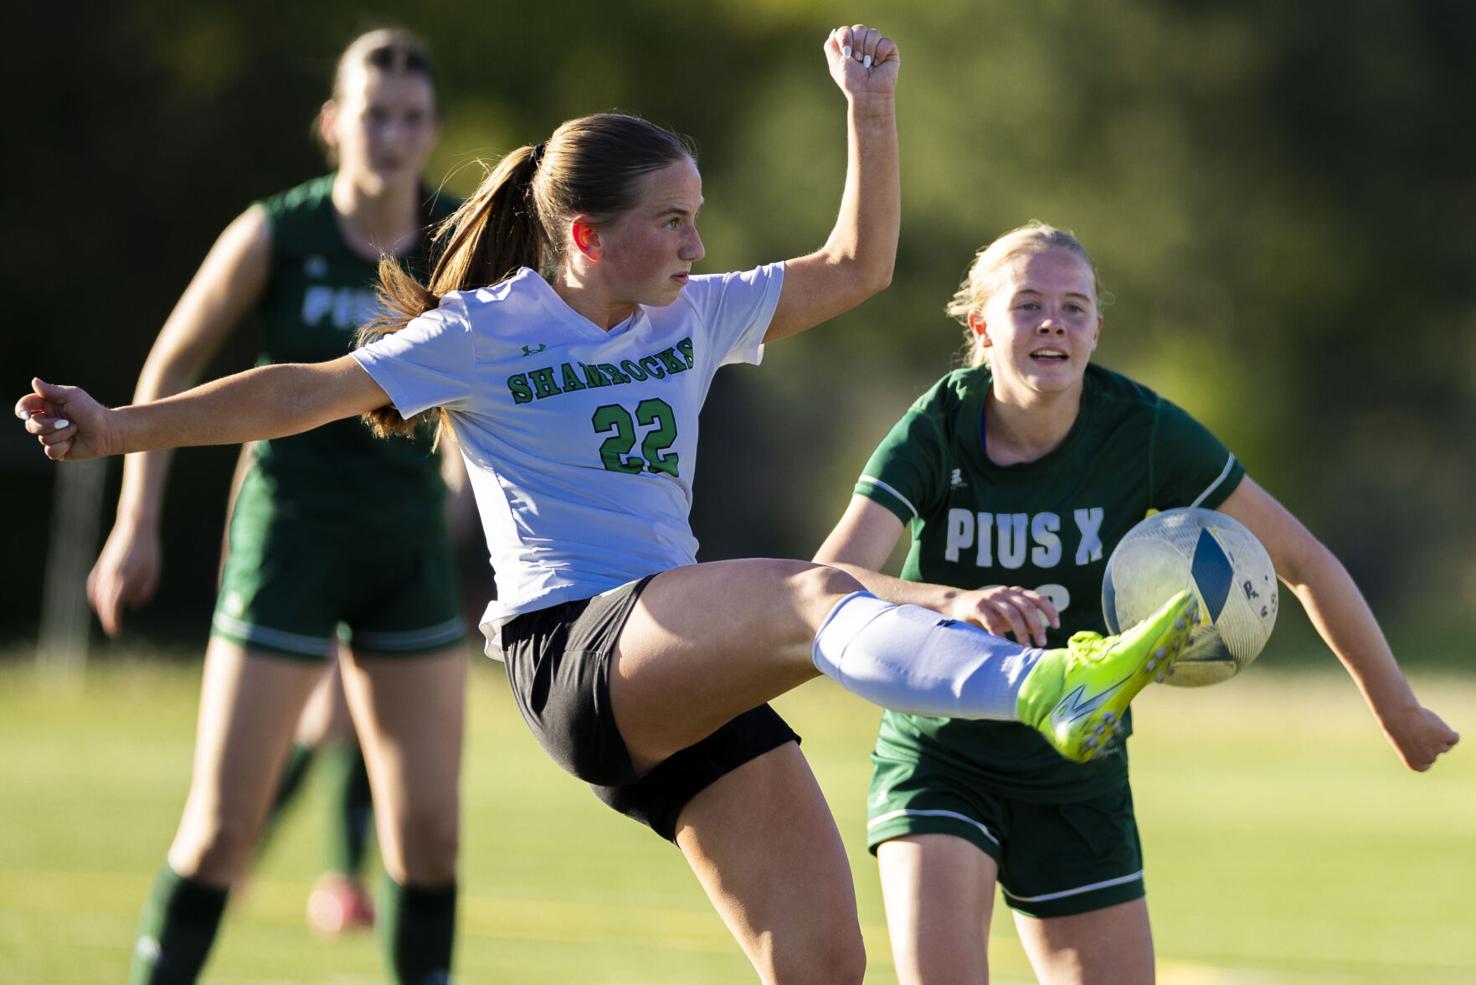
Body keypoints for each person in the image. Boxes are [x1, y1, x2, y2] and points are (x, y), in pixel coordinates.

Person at [20, 28, 1205, 984]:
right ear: (588, 236)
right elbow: (300, 393)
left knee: (827, 963)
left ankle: (1037, 687)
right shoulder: (489, 329)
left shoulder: (689, 311)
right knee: (806, 590)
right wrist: (119, 427)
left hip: (671, 666)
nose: (699, 241)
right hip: (576, 650)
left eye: (698, 215)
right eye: (673, 220)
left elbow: (859, 267)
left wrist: (872, 110)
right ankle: (1044, 689)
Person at [811, 221, 1461, 985]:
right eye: (1027, 303)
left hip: (1080, 767)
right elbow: (828, 581)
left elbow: (1302, 559)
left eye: (1074, 306)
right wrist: (950, 600)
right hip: (942, 753)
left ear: (1095, 331)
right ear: (981, 326)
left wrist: (1397, 709)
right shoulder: (939, 426)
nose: (1053, 319)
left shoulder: (1140, 430)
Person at [78, 28, 468, 984]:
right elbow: (171, 364)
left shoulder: (460, 241)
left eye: (410, 118)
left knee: (427, 835)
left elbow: (504, 380)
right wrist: (135, 523)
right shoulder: (275, 232)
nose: (391, 134)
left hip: (405, 542)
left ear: (432, 131)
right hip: (288, 537)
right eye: (373, 113)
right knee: (221, 829)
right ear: (333, 122)